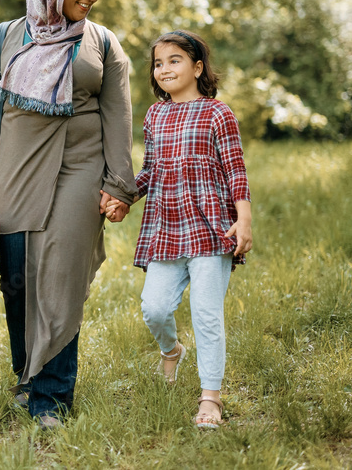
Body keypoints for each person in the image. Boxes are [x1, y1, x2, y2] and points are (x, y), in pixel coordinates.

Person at [0, 0, 137, 428]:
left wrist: (119, 183)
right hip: (16, 173)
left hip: (80, 170)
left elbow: (119, 119)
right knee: (18, 278)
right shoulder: (8, 36)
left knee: (60, 278)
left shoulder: (103, 44)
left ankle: (52, 397)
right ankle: (26, 378)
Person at [106, 29, 253, 429]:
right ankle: (171, 351)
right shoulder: (156, 115)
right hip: (166, 228)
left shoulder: (217, 113)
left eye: (175, 60)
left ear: (197, 67)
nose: (165, 69)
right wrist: (124, 198)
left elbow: (234, 170)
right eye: (158, 63)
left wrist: (244, 219)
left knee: (206, 314)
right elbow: (150, 171)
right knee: (153, 308)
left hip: (211, 228)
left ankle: (211, 398)